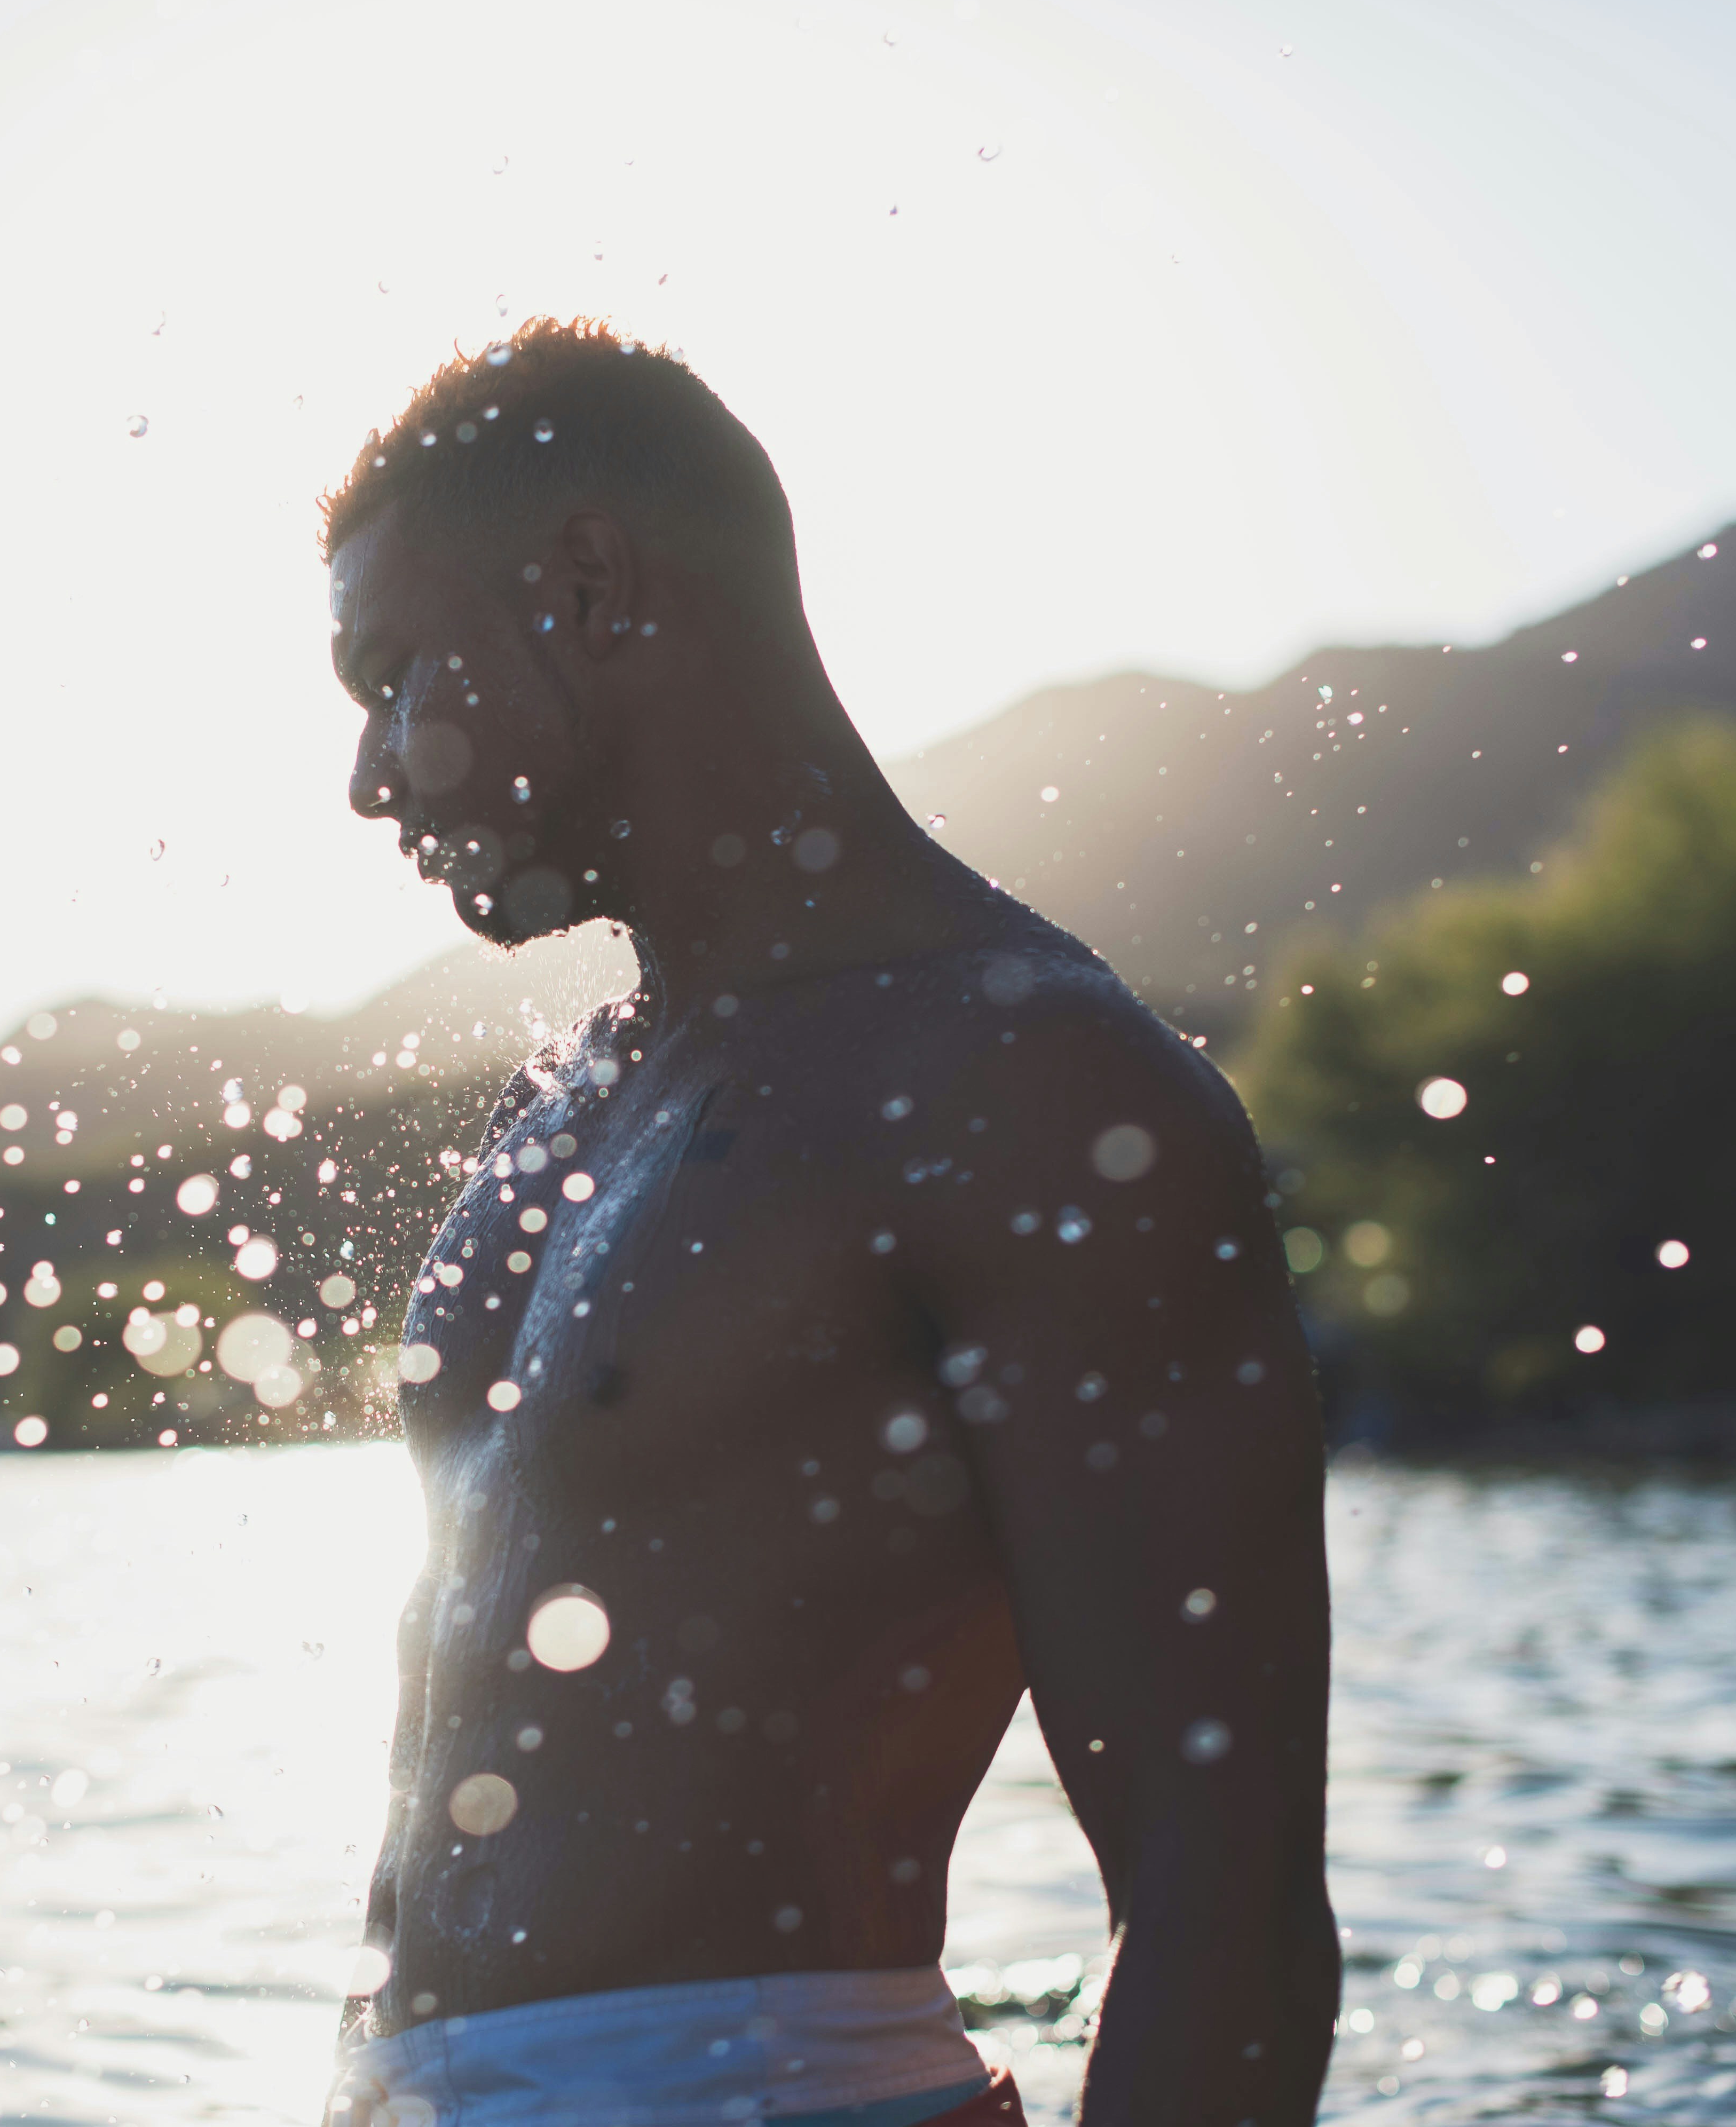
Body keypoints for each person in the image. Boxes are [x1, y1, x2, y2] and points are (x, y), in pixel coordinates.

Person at [317, 318, 1335, 2127]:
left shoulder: (1022, 1089)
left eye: (395, 679)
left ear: (587, 586)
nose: (373, 777)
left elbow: (1223, 1897)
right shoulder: (571, 1103)